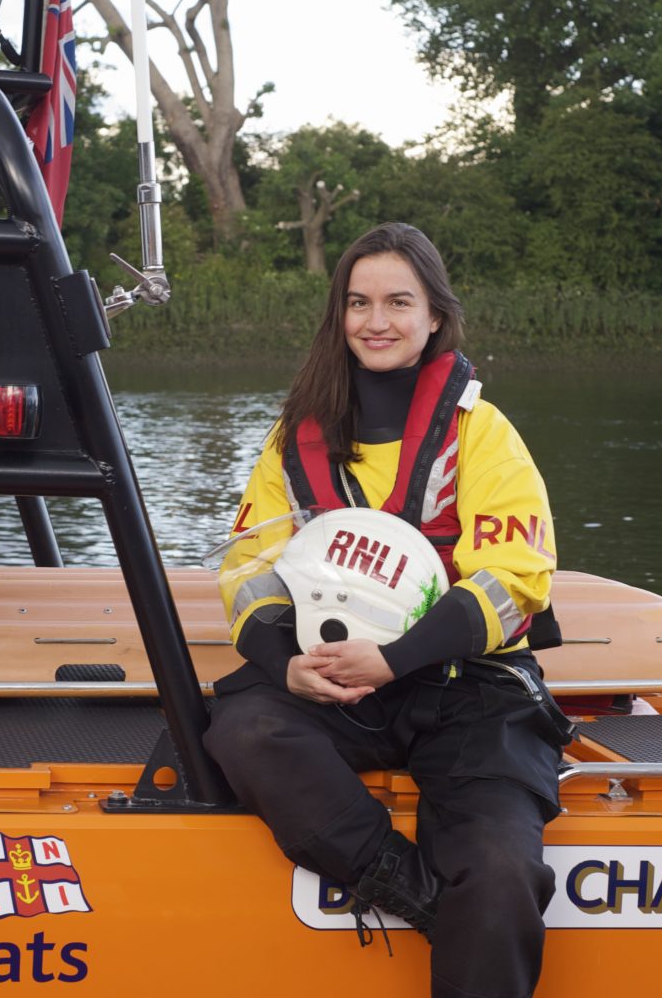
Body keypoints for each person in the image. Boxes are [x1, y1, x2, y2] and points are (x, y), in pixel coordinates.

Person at [203, 222, 573, 998]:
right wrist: (286, 668)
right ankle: (422, 897)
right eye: (359, 302)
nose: (377, 321)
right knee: (246, 730)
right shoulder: (290, 442)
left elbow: (515, 582)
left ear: (433, 316)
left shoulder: (483, 435)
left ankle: (475, 905)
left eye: (399, 302)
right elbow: (248, 575)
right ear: (338, 317)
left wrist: (394, 658)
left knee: (501, 871)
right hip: (336, 684)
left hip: (472, 691)